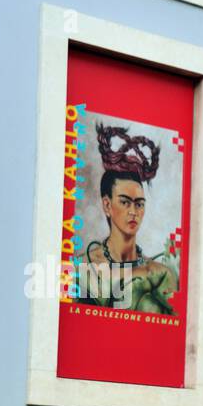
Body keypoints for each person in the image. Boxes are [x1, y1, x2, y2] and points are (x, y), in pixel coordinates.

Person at [77, 121, 178, 315]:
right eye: (125, 202)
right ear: (107, 205)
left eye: (139, 204)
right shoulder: (82, 266)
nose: (133, 211)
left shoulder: (160, 274)